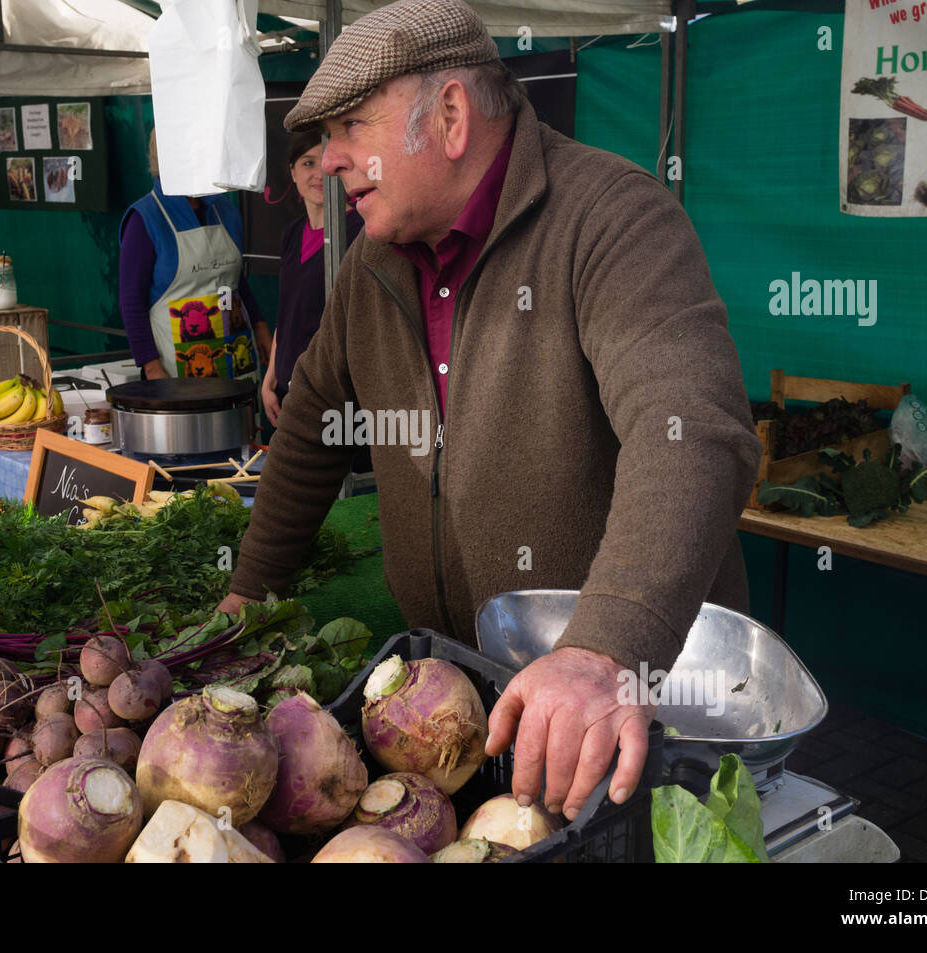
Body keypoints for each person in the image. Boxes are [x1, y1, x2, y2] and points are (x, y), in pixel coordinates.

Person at [218, 0, 761, 820]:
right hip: (465, 707)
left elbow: (690, 432)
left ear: (450, 114)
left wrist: (605, 647)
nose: (327, 161)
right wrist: (246, 595)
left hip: (628, 713)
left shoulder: (613, 219)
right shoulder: (372, 266)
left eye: (350, 128)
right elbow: (311, 421)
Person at [119, 133, 272, 383]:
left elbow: (234, 281)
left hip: (236, 357)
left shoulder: (225, 211)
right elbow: (131, 301)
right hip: (175, 370)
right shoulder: (144, 218)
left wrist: (260, 324)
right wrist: (151, 367)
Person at [261, 130, 363, 426]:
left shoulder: (360, 232)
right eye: (307, 163)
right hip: (285, 391)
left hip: (329, 397)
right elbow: (287, 311)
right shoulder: (292, 233)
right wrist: (270, 377)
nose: (319, 173)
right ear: (291, 172)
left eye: (326, 161)